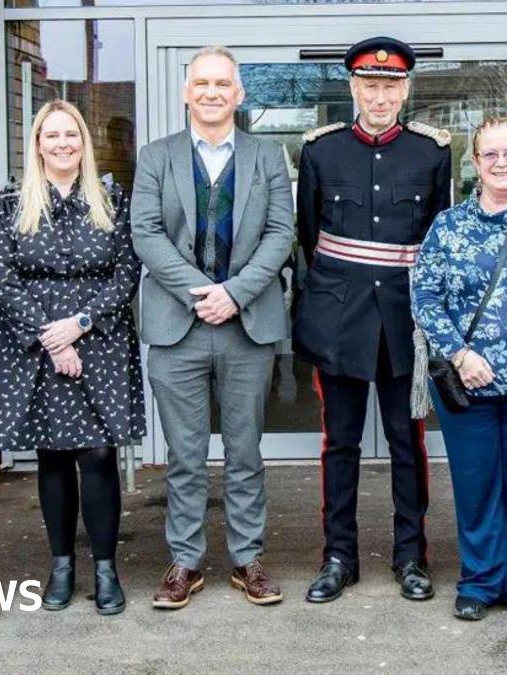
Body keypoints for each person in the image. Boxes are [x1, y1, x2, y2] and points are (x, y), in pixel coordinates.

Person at [0, 100, 144, 616]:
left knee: (99, 454)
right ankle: (61, 566)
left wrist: (80, 324)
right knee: (54, 455)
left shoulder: (110, 198)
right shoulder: (13, 202)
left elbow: (126, 273)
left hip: (100, 341)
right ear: (37, 143)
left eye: (72, 135)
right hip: (35, 343)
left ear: (84, 143)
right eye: (52, 135)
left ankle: (106, 570)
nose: (63, 143)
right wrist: (52, 336)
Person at [131, 46, 293, 609]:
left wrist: (234, 293)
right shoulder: (156, 156)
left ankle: (248, 560)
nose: (212, 92)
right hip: (178, 324)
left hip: (246, 324)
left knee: (246, 450)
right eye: (201, 82)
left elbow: (281, 234)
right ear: (185, 92)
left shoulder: (268, 156)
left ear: (239, 94)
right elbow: (145, 233)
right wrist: (200, 292)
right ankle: (186, 563)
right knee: (185, 455)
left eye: (223, 83)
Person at [294, 36, 452, 604]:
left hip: (403, 321)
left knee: (406, 443)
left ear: (405, 90)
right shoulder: (320, 151)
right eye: (370, 85)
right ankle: (339, 555)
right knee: (339, 444)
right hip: (339, 318)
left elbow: (436, 243)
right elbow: (308, 238)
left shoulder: (432, 153)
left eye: (390, 86)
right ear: (353, 87)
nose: (380, 95)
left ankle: (412, 555)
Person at [411, 117, 507, 622]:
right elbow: (424, 294)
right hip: (467, 382)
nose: (502, 163)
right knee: (475, 486)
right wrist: (459, 352)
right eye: (491, 155)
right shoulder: (448, 226)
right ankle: (479, 580)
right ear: (475, 163)